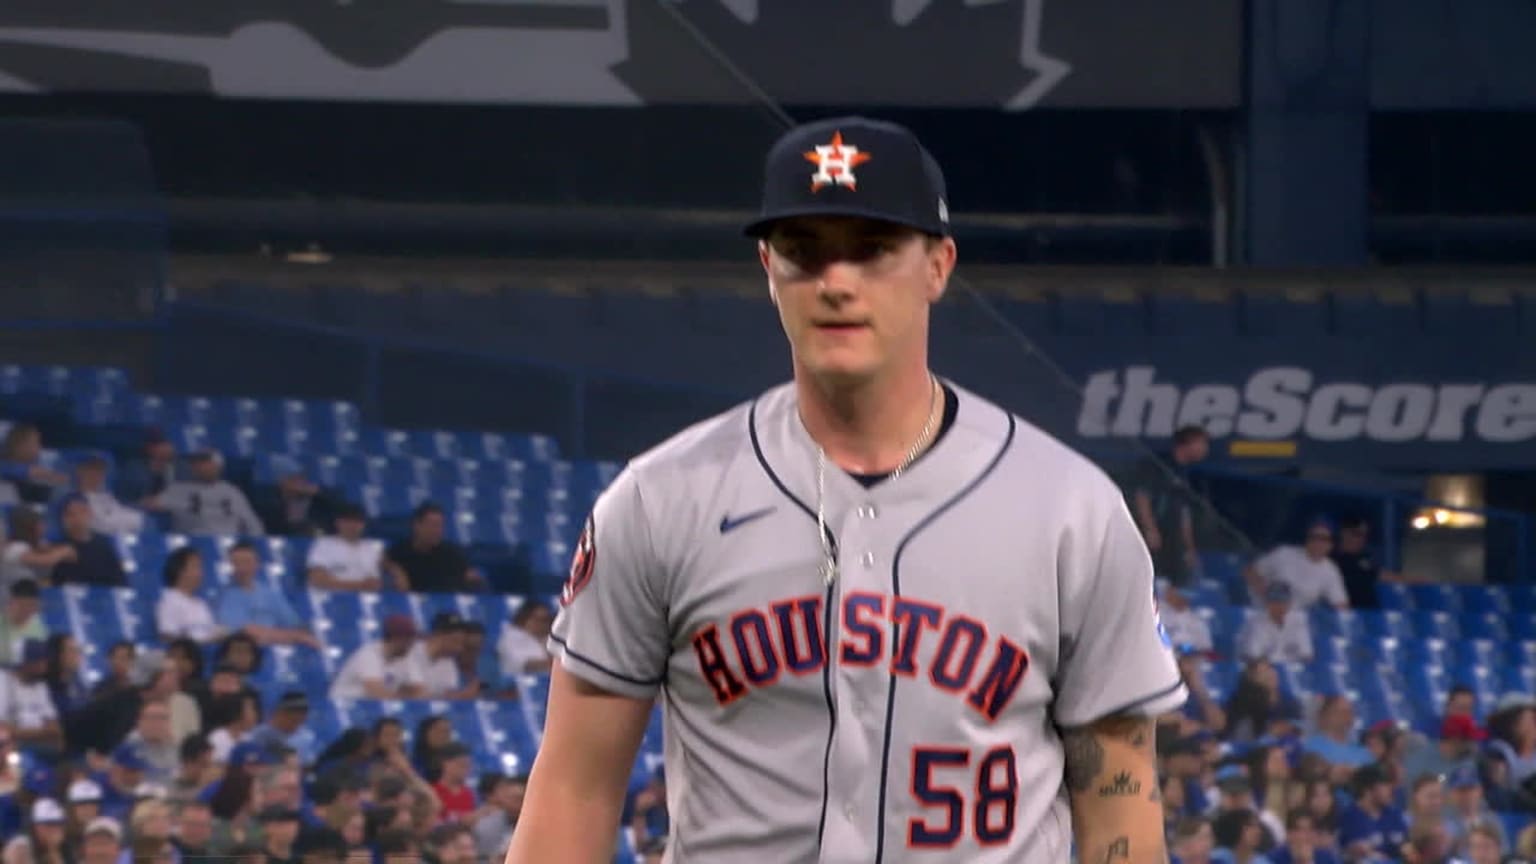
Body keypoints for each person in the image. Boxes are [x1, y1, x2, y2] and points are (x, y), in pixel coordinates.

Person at [507, 117, 1186, 863]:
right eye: (804, 253)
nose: (836, 282)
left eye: (872, 251)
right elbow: (575, 787)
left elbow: (1119, 802)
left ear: (938, 265)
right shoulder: (662, 500)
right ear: (767, 268)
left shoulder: (1070, 512)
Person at [1131, 424, 1209, 587]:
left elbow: (1184, 513)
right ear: (1189, 443)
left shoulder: (1184, 473)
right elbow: (1142, 496)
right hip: (1149, 535)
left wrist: (1189, 547)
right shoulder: (1158, 464)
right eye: (1202, 443)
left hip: (1171, 539)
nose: (1205, 449)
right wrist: (1150, 529)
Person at [1243, 519, 1349, 611]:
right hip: (1258, 611)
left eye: (1324, 539)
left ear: (1331, 544)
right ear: (1307, 539)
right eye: (1314, 537)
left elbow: (1341, 604)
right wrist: (1265, 592)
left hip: (1292, 621)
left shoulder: (1330, 570)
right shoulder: (1284, 553)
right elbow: (1249, 571)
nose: (1318, 542)